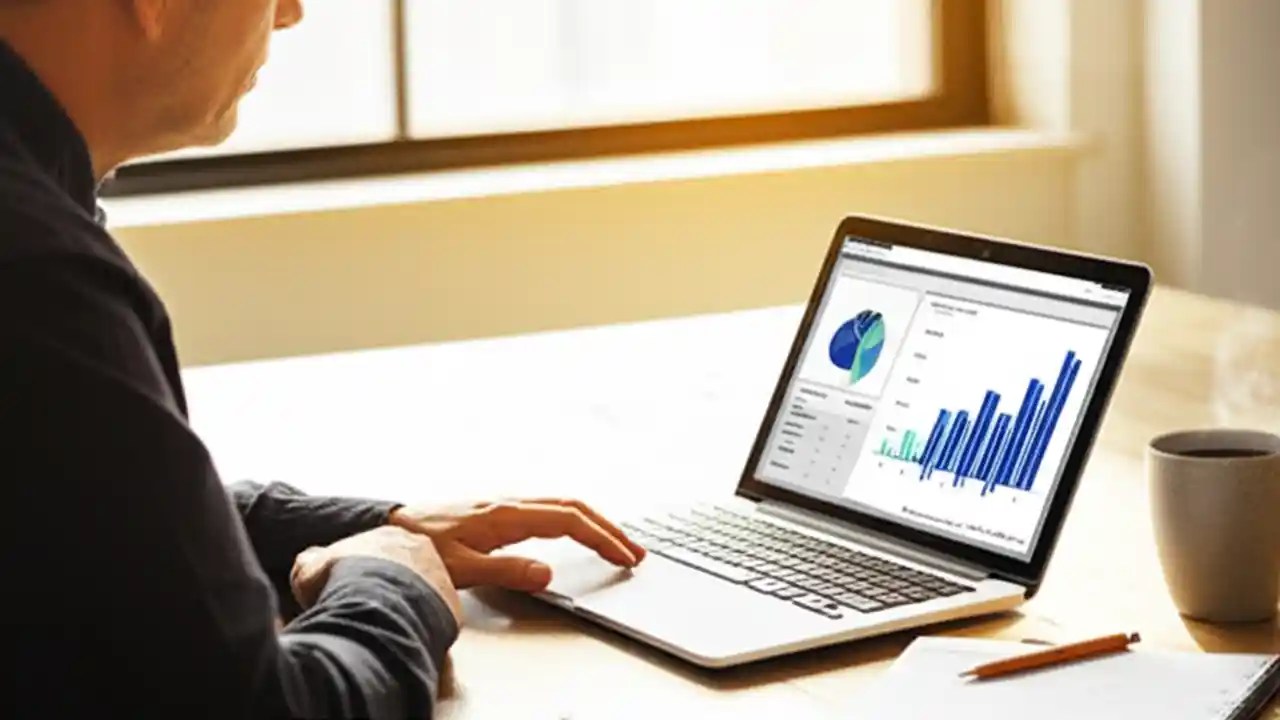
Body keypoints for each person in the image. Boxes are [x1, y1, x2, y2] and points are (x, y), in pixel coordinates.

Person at [0, 1, 646, 717]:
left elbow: (79, 517)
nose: (290, 13)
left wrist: (367, 527)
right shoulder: (38, 279)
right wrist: (391, 586)